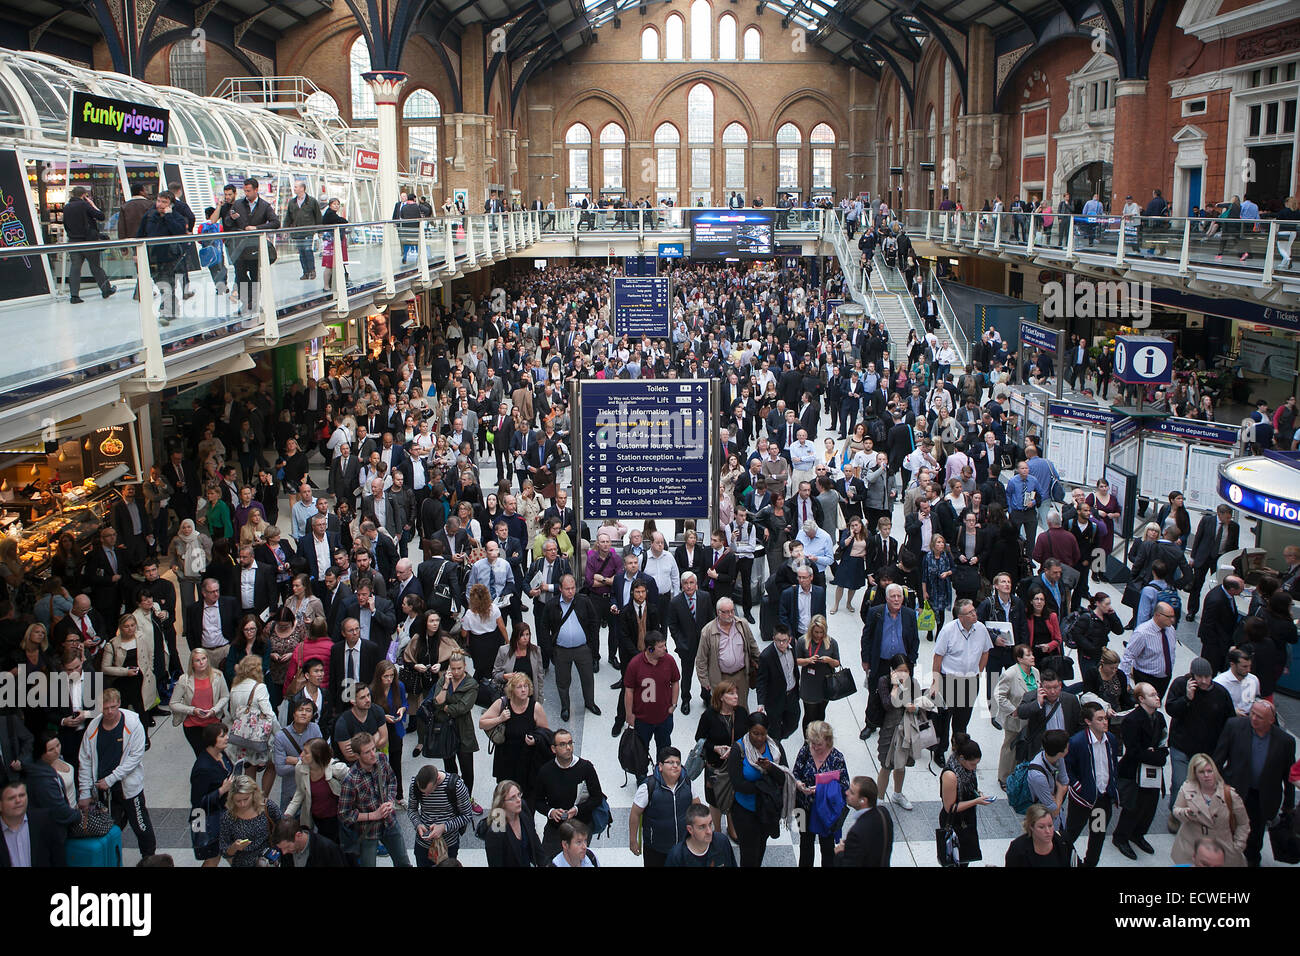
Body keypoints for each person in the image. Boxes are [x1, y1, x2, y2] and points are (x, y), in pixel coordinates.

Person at [1212, 699, 1296, 866]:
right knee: (1229, 827)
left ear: (1271, 720)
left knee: (1255, 833)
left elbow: (1289, 775)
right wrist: (1216, 785)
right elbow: (1218, 758)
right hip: (1235, 789)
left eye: (1259, 717)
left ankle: (1251, 859)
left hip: (1263, 796)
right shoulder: (1234, 726)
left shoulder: (1285, 742)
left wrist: (1288, 803)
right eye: (1252, 714)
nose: (1254, 718)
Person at [77, 688, 157, 858]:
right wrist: (84, 792)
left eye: (113, 706)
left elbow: (135, 757)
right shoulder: (92, 729)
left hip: (128, 788)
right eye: (106, 708)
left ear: (119, 704)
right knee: (110, 829)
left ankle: (149, 858)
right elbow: (85, 761)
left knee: (141, 826)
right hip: (104, 791)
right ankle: (111, 859)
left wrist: (111, 779)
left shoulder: (133, 724)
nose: (110, 711)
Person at [1165, 657, 1235, 819]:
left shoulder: (1220, 693)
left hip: (1206, 751)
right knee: (1179, 784)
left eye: (1207, 677)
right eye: (1200, 677)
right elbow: (1171, 709)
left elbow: (1229, 721)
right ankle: (1176, 814)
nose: (1204, 681)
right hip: (1181, 746)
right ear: (1192, 676)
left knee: (1202, 786)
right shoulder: (1180, 685)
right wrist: (1187, 699)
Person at [727, 712, 794, 867]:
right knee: (748, 855)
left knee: (761, 847)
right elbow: (738, 784)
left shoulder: (775, 747)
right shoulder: (738, 749)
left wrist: (770, 768)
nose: (759, 738)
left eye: (763, 734)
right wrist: (765, 788)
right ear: (748, 730)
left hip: (767, 810)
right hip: (745, 812)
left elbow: (784, 777)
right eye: (755, 733)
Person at [930, 598, 991, 759]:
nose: (974, 614)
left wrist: (978, 671)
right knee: (944, 719)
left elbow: (985, 651)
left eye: (974, 611)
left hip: (970, 681)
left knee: (962, 721)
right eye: (970, 613)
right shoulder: (948, 630)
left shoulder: (981, 629)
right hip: (949, 680)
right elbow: (938, 657)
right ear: (960, 616)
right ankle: (940, 750)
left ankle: (958, 749)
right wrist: (935, 682)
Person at [1112, 682, 1167, 859]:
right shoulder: (1132, 720)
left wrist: (1155, 754)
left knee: (1150, 806)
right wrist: (1154, 755)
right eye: (1152, 695)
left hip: (1153, 770)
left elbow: (1163, 745)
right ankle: (1121, 837)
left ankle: (1138, 834)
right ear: (1141, 699)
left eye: (1156, 694)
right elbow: (1134, 751)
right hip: (1134, 771)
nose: (1157, 697)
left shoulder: (1159, 718)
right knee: (1133, 806)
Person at [338, 731, 411, 866]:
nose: (373, 754)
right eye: (367, 752)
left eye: (373, 749)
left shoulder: (382, 759)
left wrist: (389, 801)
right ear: (357, 755)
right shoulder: (351, 780)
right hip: (368, 831)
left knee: (403, 862)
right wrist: (373, 815)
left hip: (390, 822)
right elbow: (344, 815)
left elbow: (392, 781)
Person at [533, 727, 604, 859]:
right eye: (563, 744)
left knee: (577, 860)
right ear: (553, 749)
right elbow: (537, 801)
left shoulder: (586, 768)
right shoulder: (545, 772)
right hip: (556, 828)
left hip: (581, 825)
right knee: (548, 860)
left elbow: (597, 797)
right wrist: (551, 812)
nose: (568, 747)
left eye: (570, 743)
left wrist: (576, 810)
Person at [1062, 702, 1119, 867]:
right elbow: (1066, 767)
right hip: (1082, 800)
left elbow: (1113, 764)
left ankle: (1090, 864)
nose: (1105, 722)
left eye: (1105, 718)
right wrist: (1077, 786)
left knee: (1098, 835)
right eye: (1100, 719)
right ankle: (1063, 859)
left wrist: (1112, 787)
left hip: (1102, 799)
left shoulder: (1111, 740)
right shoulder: (1077, 742)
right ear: (1088, 721)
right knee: (1071, 833)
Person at [1170, 753, 1249, 867]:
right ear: (1195, 774)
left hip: (1222, 849)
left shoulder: (1229, 794)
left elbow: (1243, 822)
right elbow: (1176, 810)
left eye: (1209, 771)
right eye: (1202, 772)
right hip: (1191, 846)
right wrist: (1185, 813)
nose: (1206, 775)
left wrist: (1238, 845)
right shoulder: (1186, 789)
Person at [792, 720, 849, 867]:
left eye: (819, 744)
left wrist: (822, 789)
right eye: (812, 743)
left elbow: (845, 786)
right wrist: (798, 784)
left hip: (827, 810)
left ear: (828, 741)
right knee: (805, 844)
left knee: (827, 847)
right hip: (803, 807)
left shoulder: (837, 758)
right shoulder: (805, 751)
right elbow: (795, 774)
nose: (815, 747)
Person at [628, 747, 695, 867]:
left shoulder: (687, 783)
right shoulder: (648, 786)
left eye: (678, 763)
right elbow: (635, 813)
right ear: (660, 766)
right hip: (655, 849)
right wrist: (633, 840)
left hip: (683, 847)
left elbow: (697, 809)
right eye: (670, 762)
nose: (675, 765)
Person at [227, 653, 277, 797]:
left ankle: (252, 799)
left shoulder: (235, 688)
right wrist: (279, 733)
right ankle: (263, 798)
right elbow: (269, 714)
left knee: (249, 765)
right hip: (258, 736)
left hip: (242, 736)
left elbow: (232, 714)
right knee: (272, 764)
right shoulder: (259, 687)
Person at [696, 597, 759, 707]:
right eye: (726, 612)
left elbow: (753, 647)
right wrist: (705, 682)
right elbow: (701, 660)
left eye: (732, 611)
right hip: (721, 678)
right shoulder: (708, 631)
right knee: (723, 709)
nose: (730, 614)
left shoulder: (742, 625)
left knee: (742, 707)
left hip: (741, 676)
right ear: (718, 612)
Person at [938, 733, 989, 866]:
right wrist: (976, 801)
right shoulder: (951, 775)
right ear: (961, 758)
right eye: (972, 764)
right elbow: (950, 808)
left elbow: (969, 787)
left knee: (965, 858)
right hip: (954, 823)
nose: (975, 768)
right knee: (954, 861)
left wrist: (976, 794)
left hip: (967, 819)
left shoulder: (966, 768)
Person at [408, 763, 473, 865]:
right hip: (423, 844)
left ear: (437, 779)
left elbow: (467, 815)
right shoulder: (415, 784)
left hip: (448, 845)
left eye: (429, 791)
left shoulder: (456, 786)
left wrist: (444, 827)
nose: (426, 795)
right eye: (423, 792)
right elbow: (412, 809)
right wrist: (418, 824)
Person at [285, 738, 347, 843]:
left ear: (317, 755)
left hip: (335, 818)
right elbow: (300, 792)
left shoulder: (336, 769)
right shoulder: (300, 768)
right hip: (315, 816)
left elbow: (354, 780)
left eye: (306, 752)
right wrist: (288, 814)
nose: (301, 755)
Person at [170, 647, 230, 756]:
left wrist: (214, 710)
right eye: (197, 660)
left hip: (214, 723)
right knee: (202, 756)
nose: (202, 662)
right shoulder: (184, 680)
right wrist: (193, 710)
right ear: (192, 663)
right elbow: (173, 704)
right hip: (193, 726)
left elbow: (225, 696)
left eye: (204, 658)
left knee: (219, 755)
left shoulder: (217, 676)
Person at [189, 723, 233, 866]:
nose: (227, 738)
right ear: (212, 740)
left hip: (224, 815)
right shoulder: (202, 768)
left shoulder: (222, 754)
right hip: (210, 820)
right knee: (215, 857)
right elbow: (197, 803)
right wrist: (222, 790)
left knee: (224, 854)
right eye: (222, 736)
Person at [218, 773, 282, 867]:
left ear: (253, 794)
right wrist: (234, 847)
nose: (243, 804)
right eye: (238, 801)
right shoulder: (228, 817)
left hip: (268, 860)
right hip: (242, 863)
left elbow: (282, 827)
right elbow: (224, 850)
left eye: (246, 799)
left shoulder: (267, 806)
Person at [0, 779, 66, 868]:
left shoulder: (44, 821)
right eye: (11, 798)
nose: (18, 800)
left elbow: (58, 859)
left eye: (22, 795)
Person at [480, 779, 544, 867]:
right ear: (502, 803)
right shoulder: (497, 829)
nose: (519, 800)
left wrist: (545, 863)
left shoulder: (523, 809)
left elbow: (533, 837)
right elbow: (496, 863)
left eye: (519, 795)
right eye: (512, 798)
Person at [836, 777, 894, 866]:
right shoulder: (883, 812)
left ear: (863, 800)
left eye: (852, 792)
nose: (846, 793)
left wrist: (839, 853)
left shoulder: (856, 832)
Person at [665, 802, 737, 866]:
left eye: (710, 824)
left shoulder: (722, 842)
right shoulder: (677, 855)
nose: (709, 831)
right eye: (702, 827)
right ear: (690, 829)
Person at [1004, 803, 1075, 867]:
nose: (1048, 831)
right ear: (1031, 827)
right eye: (1041, 827)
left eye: (1050, 825)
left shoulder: (1064, 841)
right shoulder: (1018, 848)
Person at [272, 818, 347, 868]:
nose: (284, 852)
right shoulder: (286, 851)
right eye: (281, 848)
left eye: (287, 847)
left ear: (298, 835)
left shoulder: (327, 849)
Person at [1215, 647, 1260, 717]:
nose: (1248, 670)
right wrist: (1232, 711)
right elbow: (1215, 706)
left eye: (1249, 666)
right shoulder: (1220, 683)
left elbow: (1256, 698)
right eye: (1244, 666)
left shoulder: (1253, 680)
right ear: (1232, 665)